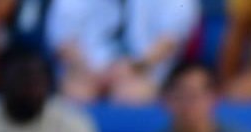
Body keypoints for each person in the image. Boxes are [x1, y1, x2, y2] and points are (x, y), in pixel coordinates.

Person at [46, 0, 197, 105]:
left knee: (131, 95)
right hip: (85, 70)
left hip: (143, 71)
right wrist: (91, 70)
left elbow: (170, 40)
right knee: (76, 94)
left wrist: (134, 67)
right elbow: (63, 40)